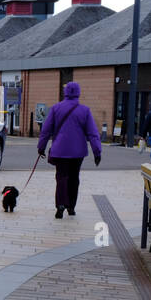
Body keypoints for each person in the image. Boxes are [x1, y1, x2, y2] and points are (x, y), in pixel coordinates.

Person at [37, 81, 101, 219]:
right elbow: (92, 133)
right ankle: (71, 207)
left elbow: (46, 130)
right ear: (78, 93)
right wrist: (97, 151)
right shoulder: (84, 110)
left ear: (65, 92)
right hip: (78, 152)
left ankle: (60, 205)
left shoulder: (56, 108)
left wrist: (41, 147)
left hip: (59, 150)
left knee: (61, 177)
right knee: (74, 178)